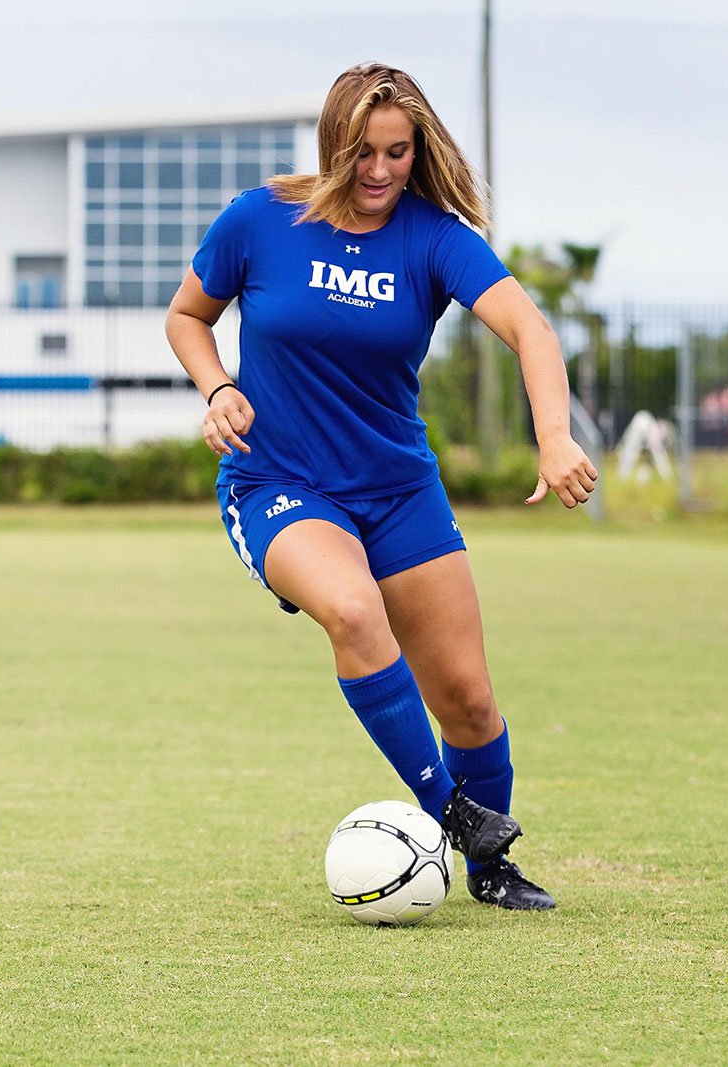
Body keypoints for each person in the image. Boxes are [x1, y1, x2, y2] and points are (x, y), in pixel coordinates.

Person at [164, 63, 598, 910]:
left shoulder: (434, 237)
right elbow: (188, 317)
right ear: (334, 146)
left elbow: (528, 328)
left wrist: (554, 438)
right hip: (279, 482)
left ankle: (490, 867)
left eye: (397, 152)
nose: (379, 171)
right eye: (362, 152)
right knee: (353, 611)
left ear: (417, 150)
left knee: (470, 703)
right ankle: (453, 816)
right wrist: (218, 387)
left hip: (398, 490)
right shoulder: (260, 221)